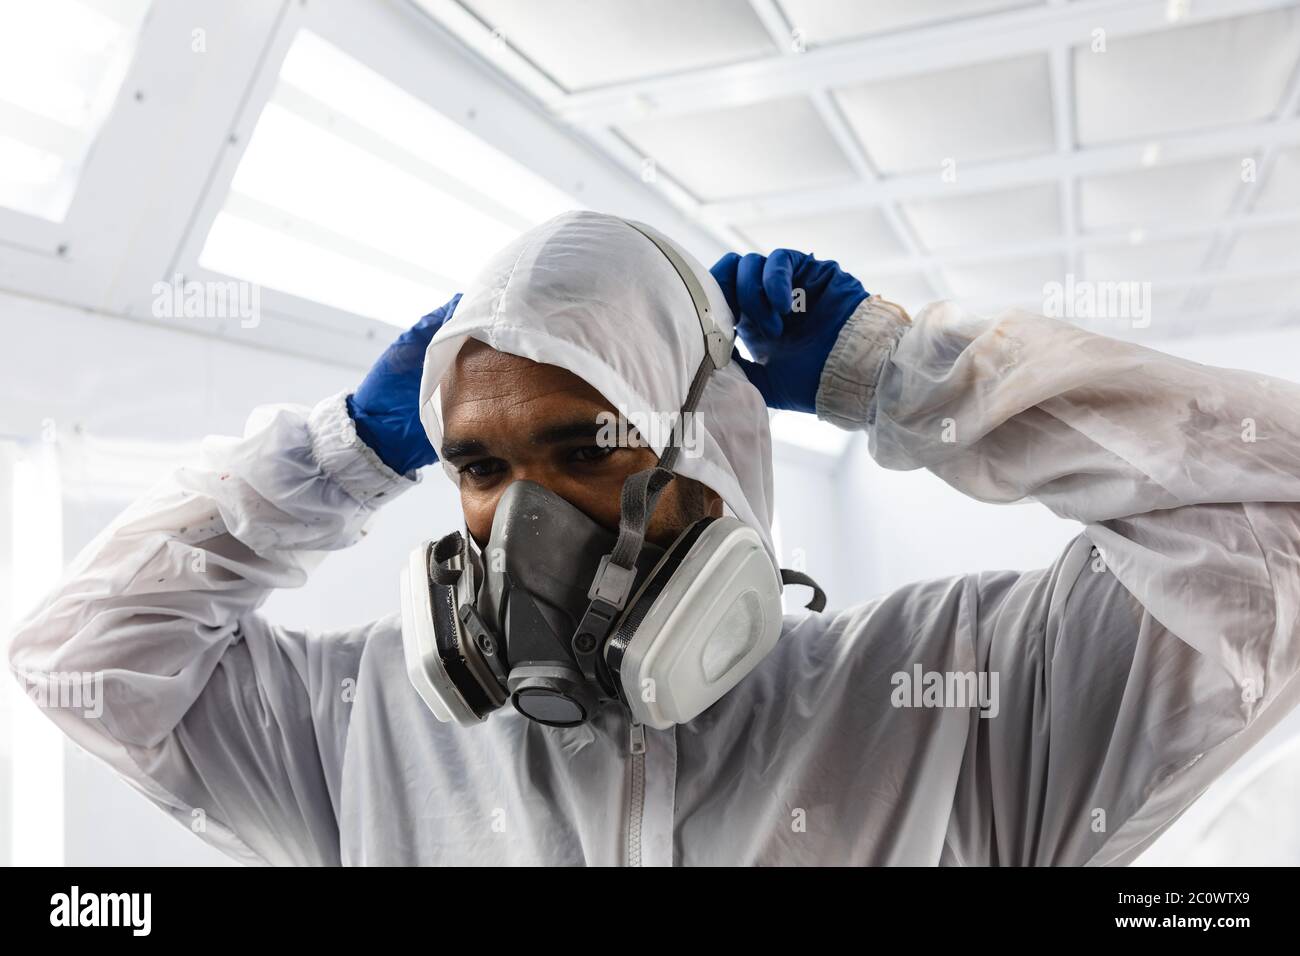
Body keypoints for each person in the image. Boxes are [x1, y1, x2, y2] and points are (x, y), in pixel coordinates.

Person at [10, 210, 1300, 866]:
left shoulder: (956, 698)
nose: (524, 519)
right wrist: (337, 454)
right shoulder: (358, 733)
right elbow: (78, 655)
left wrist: (908, 380)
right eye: (478, 465)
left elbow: (1272, 524)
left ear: (712, 453)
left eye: (587, 449)